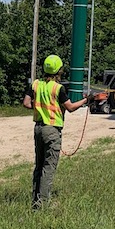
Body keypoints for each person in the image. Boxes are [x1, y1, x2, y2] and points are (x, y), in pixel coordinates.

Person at [22, 54, 89, 209]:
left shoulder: (36, 84)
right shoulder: (58, 88)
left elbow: (26, 103)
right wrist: (86, 100)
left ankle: (35, 200)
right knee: (48, 167)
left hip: (38, 128)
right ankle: (43, 204)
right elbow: (71, 107)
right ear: (59, 71)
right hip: (52, 130)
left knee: (38, 166)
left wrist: (38, 108)